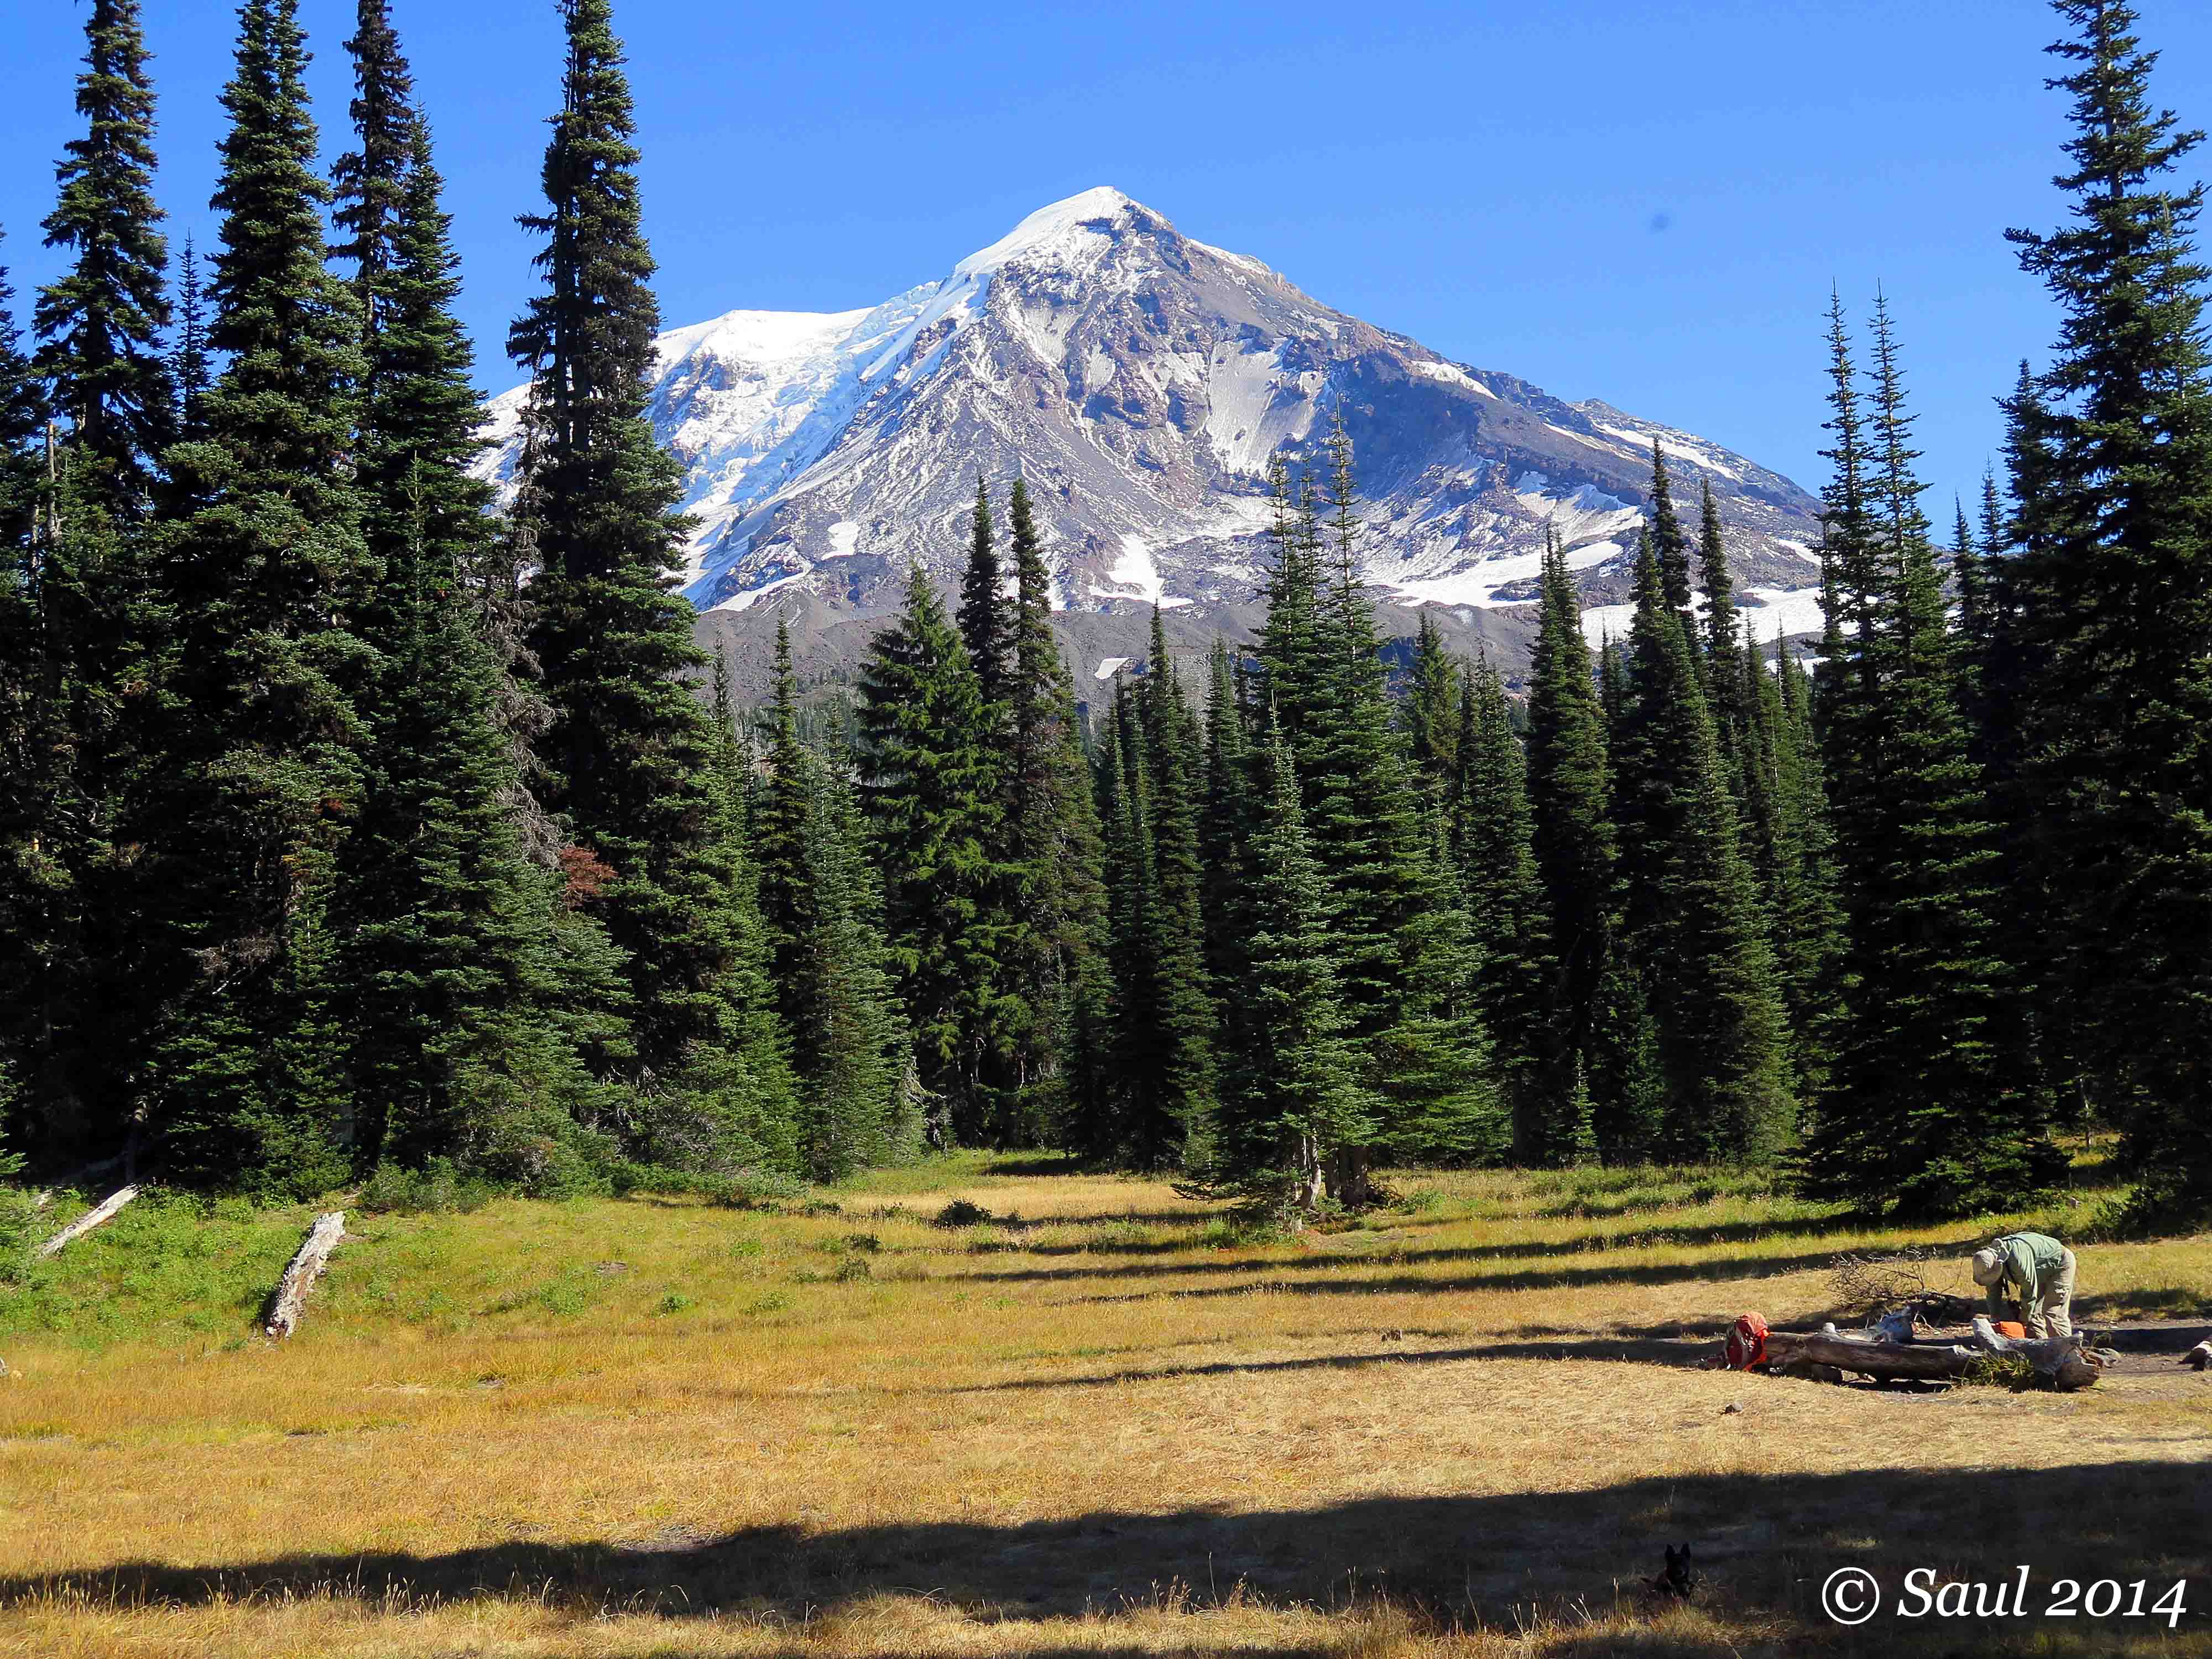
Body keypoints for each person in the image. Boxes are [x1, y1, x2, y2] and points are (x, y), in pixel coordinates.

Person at [1970, 1232, 2076, 1339]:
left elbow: (2030, 1292)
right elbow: (1993, 1294)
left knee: (2053, 1312)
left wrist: (2022, 1320)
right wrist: (1995, 1320)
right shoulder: (1989, 1262)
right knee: (2033, 1314)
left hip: (2060, 1264)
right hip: (2039, 1270)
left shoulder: (2018, 1259)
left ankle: (2066, 1350)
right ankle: (2039, 1347)